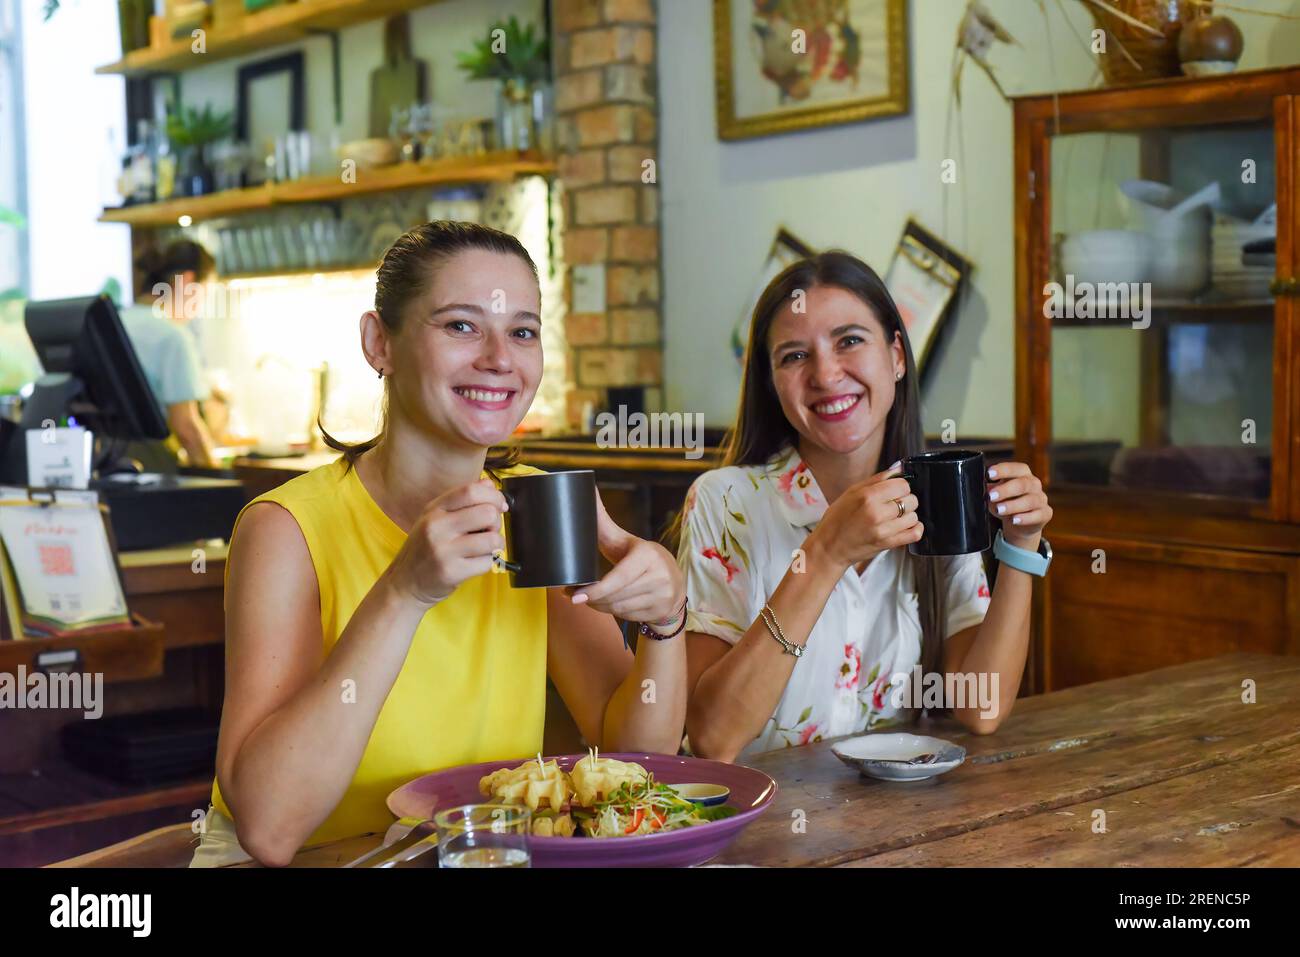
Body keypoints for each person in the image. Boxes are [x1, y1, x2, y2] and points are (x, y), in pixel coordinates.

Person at [193, 222, 688, 867]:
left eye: (523, 332)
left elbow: (631, 761)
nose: (499, 358)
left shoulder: (535, 508)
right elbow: (270, 827)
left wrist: (666, 621)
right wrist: (405, 591)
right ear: (380, 343)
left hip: (467, 855)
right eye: (461, 325)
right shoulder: (285, 527)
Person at [677, 251, 1052, 762]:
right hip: (753, 826)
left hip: (892, 824)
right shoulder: (726, 501)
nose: (827, 375)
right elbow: (711, 738)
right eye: (794, 355)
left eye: (849, 341)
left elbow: (981, 707)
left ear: (897, 356)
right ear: (772, 383)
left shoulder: (937, 495)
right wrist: (827, 552)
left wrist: (1020, 547)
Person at [119, 240, 220, 468]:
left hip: (110, 468)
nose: (199, 308)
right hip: (152, 469)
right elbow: (186, 428)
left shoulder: (116, 323)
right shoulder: (172, 336)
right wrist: (218, 478)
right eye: (204, 294)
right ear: (187, 282)